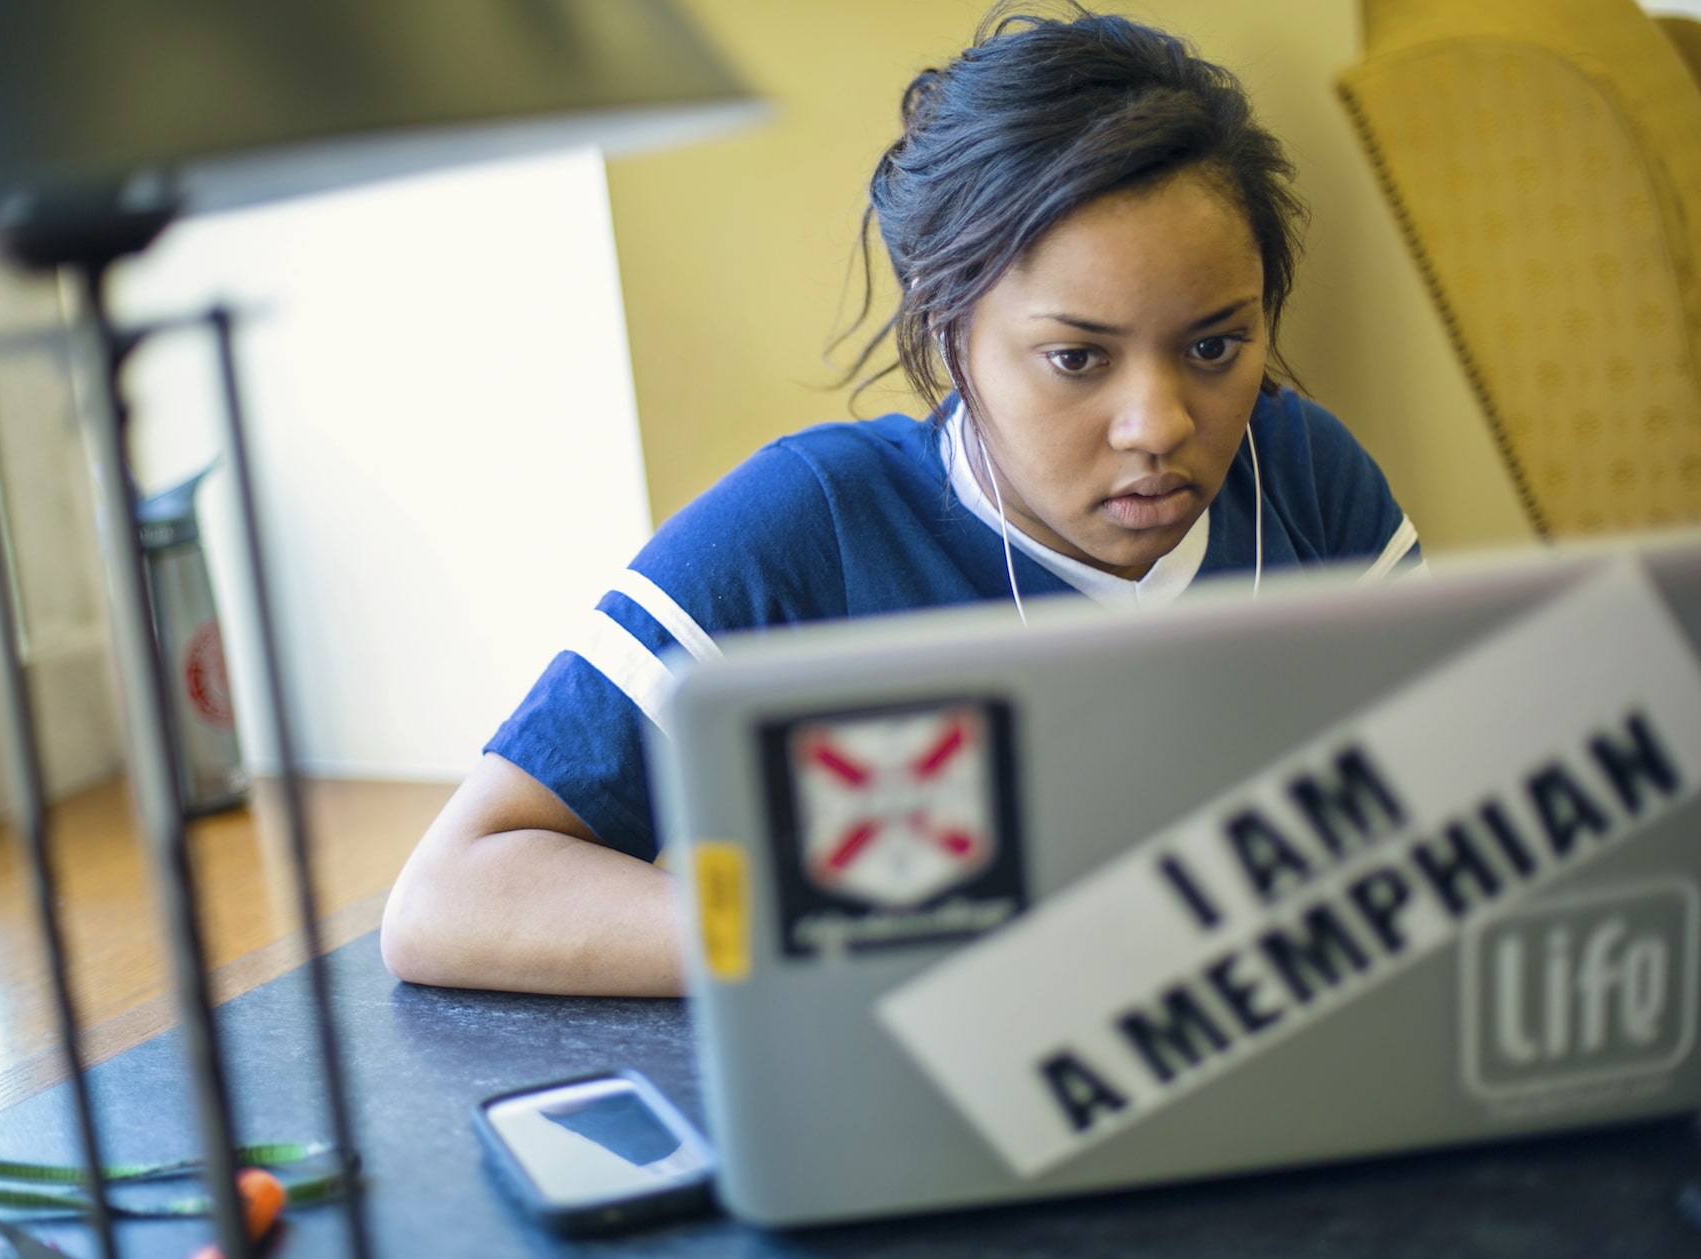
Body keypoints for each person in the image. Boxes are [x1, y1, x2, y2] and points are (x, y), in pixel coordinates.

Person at [380, 4, 1422, 996]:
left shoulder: (1304, 478)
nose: (1157, 423)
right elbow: (452, 891)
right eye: (1075, 356)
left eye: (1214, 346)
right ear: (952, 328)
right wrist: (835, 933)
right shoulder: (811, 524)